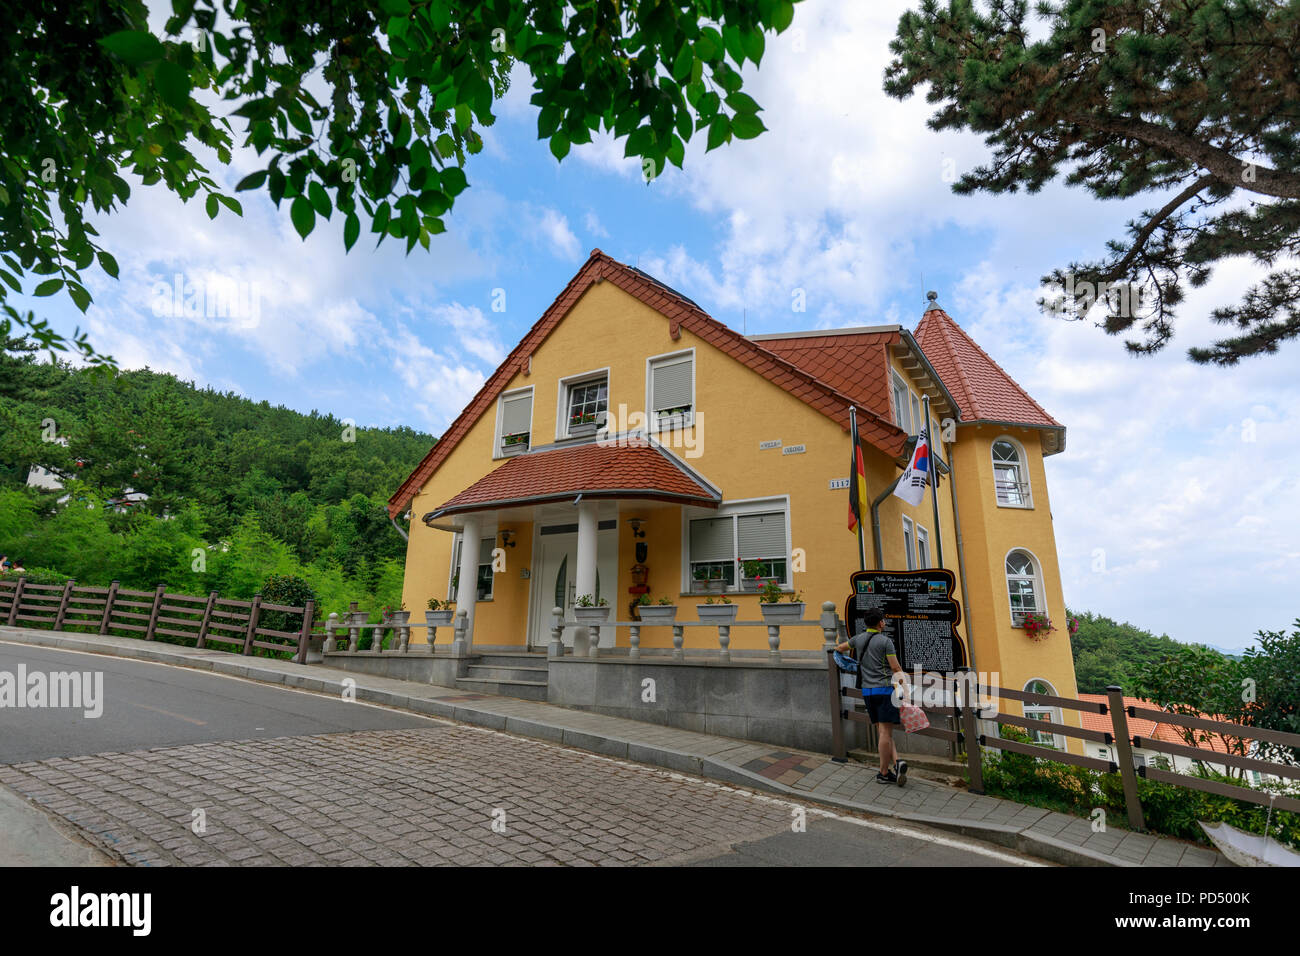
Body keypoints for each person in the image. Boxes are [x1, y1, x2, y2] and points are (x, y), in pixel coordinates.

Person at [836, 608, 909, 785]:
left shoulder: (858, 639)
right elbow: (895, 668)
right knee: (885, 731)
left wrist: (849, 663)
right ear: (881, 623)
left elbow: (839, 648)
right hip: (884, 690)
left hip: (867, 692)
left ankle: (896, 762)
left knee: (881, 730)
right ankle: (883, 773)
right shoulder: (885, 642)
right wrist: (905, 689)